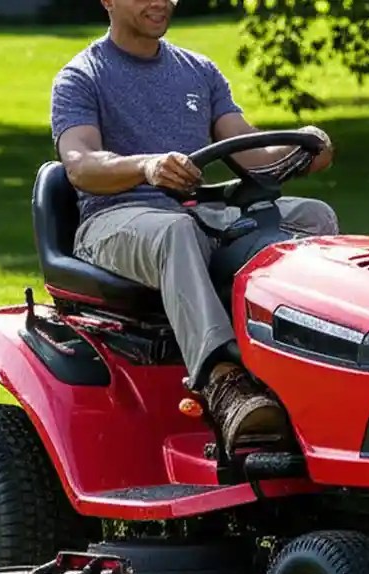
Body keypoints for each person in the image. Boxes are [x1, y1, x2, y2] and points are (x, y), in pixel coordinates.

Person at [49, 0, 340, 453]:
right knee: (175, 232)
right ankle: (223, 383)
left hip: (194, 213)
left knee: (314, 216)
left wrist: (303, 150)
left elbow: (253, 155)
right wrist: (146, 167)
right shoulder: (82, 76)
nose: (160, 1)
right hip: (113, 221)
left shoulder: (197, 72)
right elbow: (81, 164)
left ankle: (318, 357)